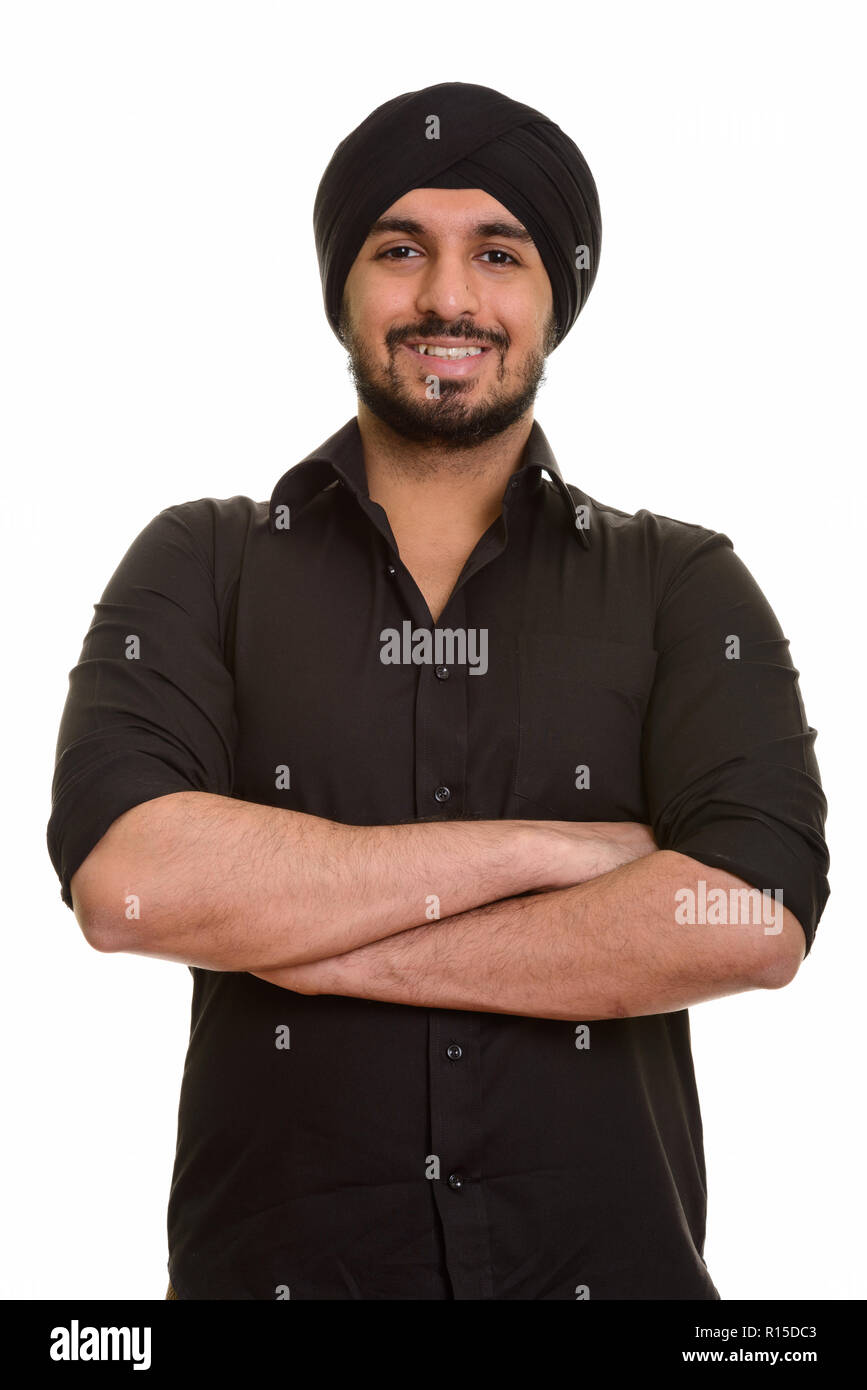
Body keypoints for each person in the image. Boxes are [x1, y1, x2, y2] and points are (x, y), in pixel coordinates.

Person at [47, 81, 830, 1301]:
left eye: (499, 253)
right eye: (401, 247)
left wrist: (314, 945)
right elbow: (129, 885)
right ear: (344, 289)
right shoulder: (201, 561)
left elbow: (756, 916)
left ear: (553, 297)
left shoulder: (684, 584)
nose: (449, 298)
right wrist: (546, 852)